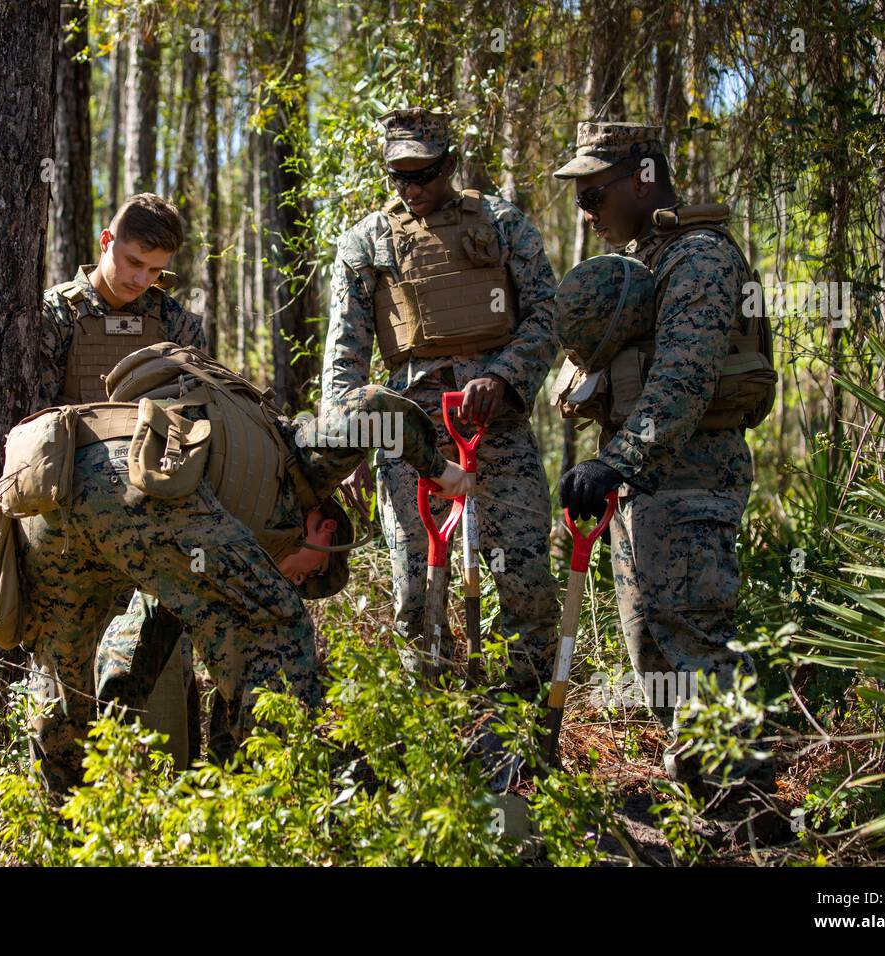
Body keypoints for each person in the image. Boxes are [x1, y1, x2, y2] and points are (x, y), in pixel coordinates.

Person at [14, 343, 473, 793]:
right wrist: (438, 469)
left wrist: (119, 715)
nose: (297, 581)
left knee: (63, 676)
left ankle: (69, 821)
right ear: (326, 528)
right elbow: (371, 405)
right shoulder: (303, 463)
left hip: (58, 480)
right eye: (309, 575)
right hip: (139, 476)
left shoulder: (209, 547)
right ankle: (262, 795)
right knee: (278, 621)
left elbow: (136, 642)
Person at [550, 122, 776, 789]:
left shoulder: (697, 256)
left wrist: (615, 463)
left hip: (690, 480)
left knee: (692, 644)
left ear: (644, 177)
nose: (586, 212)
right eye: (579, 199)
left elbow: (686, 377)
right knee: (653, 645)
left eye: (595, 195)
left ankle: (745, 807)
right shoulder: (648, 260)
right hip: (648, 485)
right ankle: (699, 792)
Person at [321, 107, 560, 700]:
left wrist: (504, 376)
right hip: (409, 430)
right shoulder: (365, 242)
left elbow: (549, 315)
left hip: (494, 426)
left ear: (450, 166)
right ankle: (430, 719)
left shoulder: (502, 223)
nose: (412, 188)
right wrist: (344, 444)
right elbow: (343, 356)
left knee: (525, 578)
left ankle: (522, 721)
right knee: (416, 587)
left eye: (424, 174)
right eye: (399, 176)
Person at [37, 193, 206, 766]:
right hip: (70, 522)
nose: (141, 279)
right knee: (67, 672)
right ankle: (65, 817)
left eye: (155, 269)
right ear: (106, 243)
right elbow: (28, 425)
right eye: (133, 261)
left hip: (155, 514)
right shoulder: (56, 316)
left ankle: (165, 796)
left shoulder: (177, 323)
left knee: (163, 663)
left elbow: (198, 418)